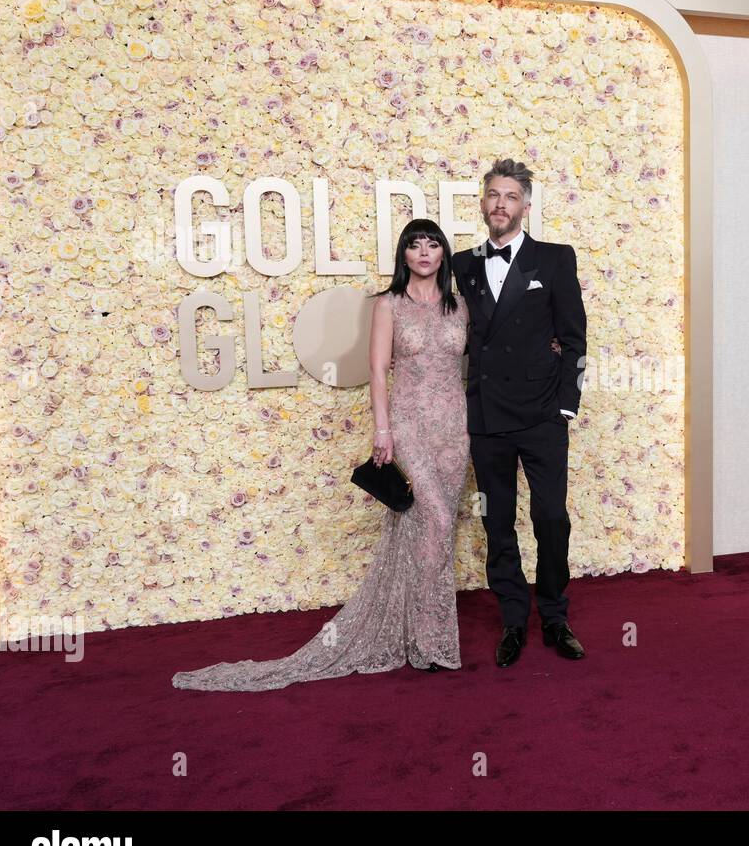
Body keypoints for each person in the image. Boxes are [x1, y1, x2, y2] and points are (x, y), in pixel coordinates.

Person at [173, 219, 470, 690]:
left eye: (433, 244)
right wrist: (382, 430)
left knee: (431, 529)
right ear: (404, 256)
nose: (424, 253)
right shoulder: (389, 305)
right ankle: (430, 641)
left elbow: (477, 361)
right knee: (431, 519)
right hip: (410, 426)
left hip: (455, 431)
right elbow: (377, 372)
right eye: (414, 245)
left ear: (443, 254)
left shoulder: (460, 306)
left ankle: (423, 638)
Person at [450, 158, 588, 667]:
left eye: (510, 196)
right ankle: (513, 618)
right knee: (497, 521)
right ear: (483, 203)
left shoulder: (554, 259)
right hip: (487, 419)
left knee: (551, 518)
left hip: (543, 417)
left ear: (526, 206)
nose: (500, 204)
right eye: (493, 195)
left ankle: (554, 615)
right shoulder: (462, 265)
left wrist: (566, 407)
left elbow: (574, 339)